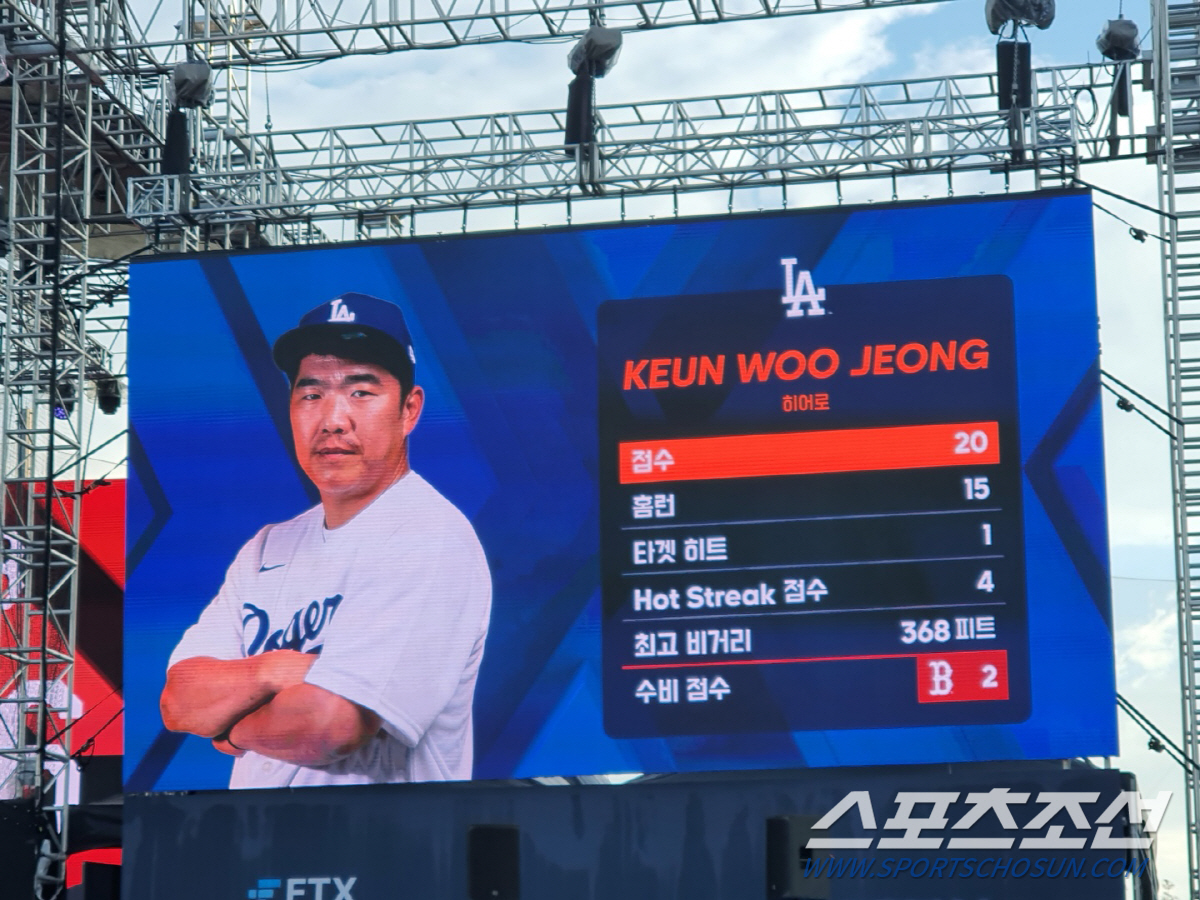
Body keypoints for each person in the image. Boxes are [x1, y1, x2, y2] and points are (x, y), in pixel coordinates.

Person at [159, 292, 492, 788]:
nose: (333, 420)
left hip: (381, 847)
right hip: (255, 846)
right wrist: (273, 671)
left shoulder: (429, 536)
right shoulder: (268, 547)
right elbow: (178, 699)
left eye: (361, 392)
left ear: (409, 410)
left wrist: (235, 730)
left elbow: (329, 725)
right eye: (311, 394)